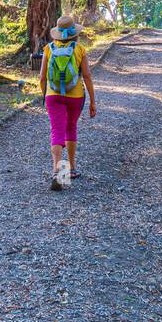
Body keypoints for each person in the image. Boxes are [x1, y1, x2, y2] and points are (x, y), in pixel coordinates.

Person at [38, 14, 96, 190]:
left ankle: (57, 171)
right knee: (70, 127)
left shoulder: (48, 48)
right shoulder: (79, 49)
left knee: (57, 129)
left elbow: (41, 77)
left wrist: (45, 95)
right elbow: (86, 76)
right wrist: (93, 101)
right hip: (75, 95)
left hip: (53, 95)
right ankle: (69, 169)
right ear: (74, 33)